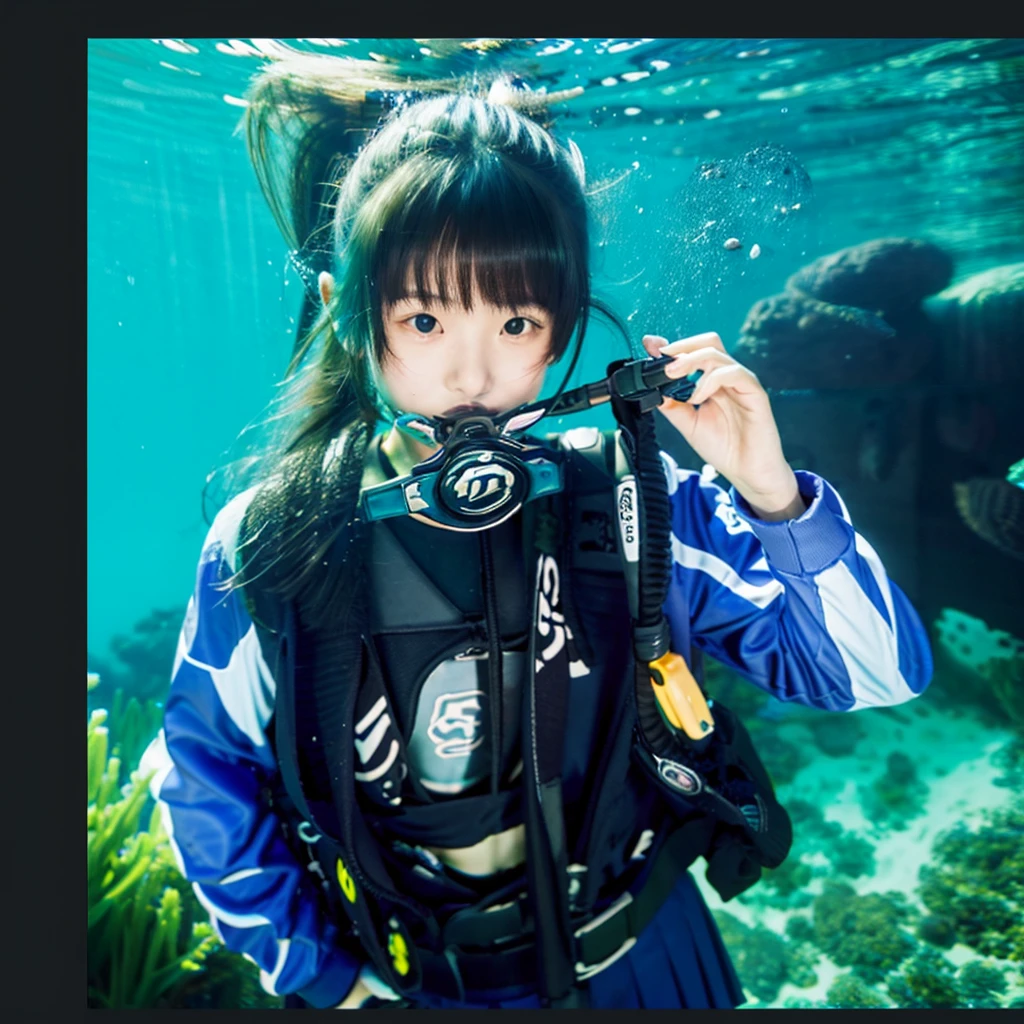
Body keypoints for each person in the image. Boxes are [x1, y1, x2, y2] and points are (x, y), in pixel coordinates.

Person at [140, 51, 934, 1010]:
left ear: (563, 333)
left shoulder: (640, 503)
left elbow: (876, 675)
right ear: (348, 318)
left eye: (515, 324)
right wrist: (322, 977)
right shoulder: (272, 537)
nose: (471, 376)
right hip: (416, 980)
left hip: (648, 955)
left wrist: (771, 494)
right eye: (425, 320)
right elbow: (203, 771)